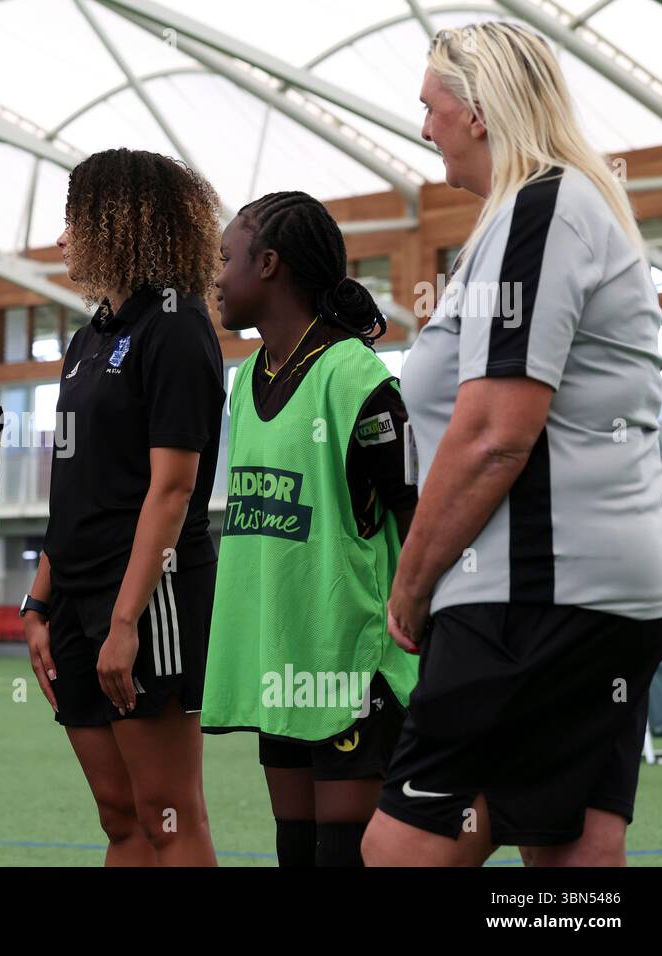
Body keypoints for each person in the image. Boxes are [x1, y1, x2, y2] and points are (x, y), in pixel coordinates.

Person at [363, 22, 662, 867]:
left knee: (398, 851)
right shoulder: (551, 211)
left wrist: (412, 582)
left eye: (431, 107)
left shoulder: (539, 209)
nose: (423, 128)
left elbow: (496, 435)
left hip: (536, 589)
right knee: (571, 852)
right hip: (597, 591)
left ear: (477, 113)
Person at [202, 191, 419, 867]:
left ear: (268, 264)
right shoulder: (246, 379)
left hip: (350, 664)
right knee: (295, 849)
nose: (216, 276)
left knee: (342, 853)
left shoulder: (357, 377)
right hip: (281, 663)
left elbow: (416, 514)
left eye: (226, 258)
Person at [23, 148, 226, 866]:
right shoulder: (89, 338)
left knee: (168, 816)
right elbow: (74, 487)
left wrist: (123, 621)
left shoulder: (177, 326)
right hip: (75, 599)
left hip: (147, 597)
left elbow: (173, 490)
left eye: (74, 221)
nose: (61, 239)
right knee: (121, 820)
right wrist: (39, 602)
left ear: (120, 223)